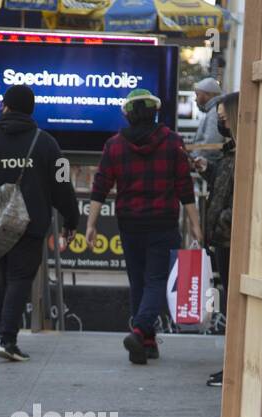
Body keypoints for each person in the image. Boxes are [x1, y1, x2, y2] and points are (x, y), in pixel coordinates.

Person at [0, 84, 78, 362]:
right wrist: (71, 219)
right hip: (31, 224)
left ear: (6, 106)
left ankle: (4, 333)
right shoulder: (47, 142)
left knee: (2, 279)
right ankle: (7, 339)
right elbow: (62, 183)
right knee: (20, 278)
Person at [86, 88, 201, 366]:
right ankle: (140, 332)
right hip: (163, 223)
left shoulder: (114, 145)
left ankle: (147, 342)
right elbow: (185, 189)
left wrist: (91, 224)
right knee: (157, 282)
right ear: (155, 112)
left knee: (138, 281)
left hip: (129, 224)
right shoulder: (173, 142)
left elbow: (100, 187)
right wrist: (197, 226)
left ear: (128, 113)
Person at [203, 92, 239, 388]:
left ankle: (234, 369)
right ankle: (231, 367)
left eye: (224, 119)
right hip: (223, 239)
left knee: (234, 305)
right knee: (228, 302)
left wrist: (223, 221)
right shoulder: (230, 152)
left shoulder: (241, 153)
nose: (220, 123)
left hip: (231, 240)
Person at [187, 77, 225, 179]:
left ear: (208, 94)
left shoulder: (214, 113)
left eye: (198, 94)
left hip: (212, 166)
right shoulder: (214, 111)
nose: (196, 99)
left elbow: (211, 143)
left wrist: (194, 158)